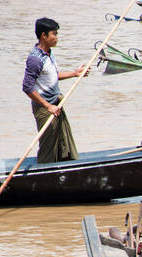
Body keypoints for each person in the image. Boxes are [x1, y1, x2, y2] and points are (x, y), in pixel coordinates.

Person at [22, 17, 87, 164]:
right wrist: (48, 106)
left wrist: (75, 73)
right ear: (44, 36)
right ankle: (44, 174)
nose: (57, 38)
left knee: (62, 144)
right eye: (54, 34)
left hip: (55, 105)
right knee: (48, 148)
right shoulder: (35, 59)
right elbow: (27, 87)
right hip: (45, 108)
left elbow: (53, 76)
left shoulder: (49, 53)